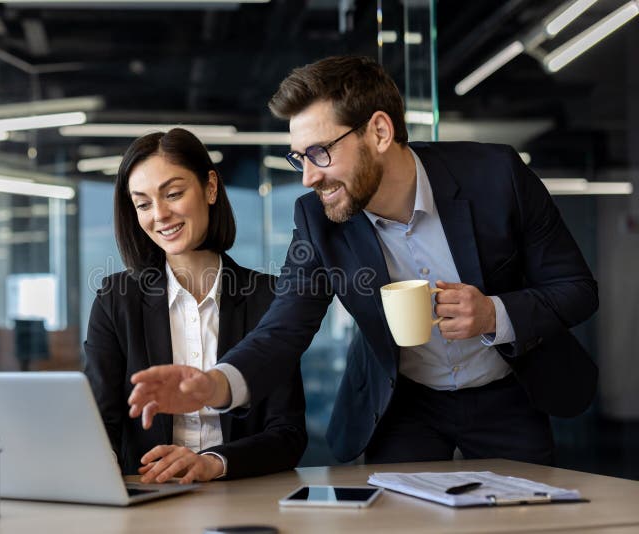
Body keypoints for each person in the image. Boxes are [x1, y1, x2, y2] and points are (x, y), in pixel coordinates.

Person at [127, 56, 599, 465]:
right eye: (299, 158)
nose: (309, 176)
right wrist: (215, 384)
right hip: (405, 404)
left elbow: (576, 288)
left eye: (320, 153)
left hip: (509, 391)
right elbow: (284, 327)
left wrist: (494, 313)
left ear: (378, 130)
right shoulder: (318, 218)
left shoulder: (496, 177)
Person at [83, 128, 307, 484]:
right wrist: (102, 470)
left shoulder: (268, 297)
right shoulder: (116, 301)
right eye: (143, 204)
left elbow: (287, 432)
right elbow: (100, 421)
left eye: (173, 194)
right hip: (149, 495)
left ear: (211, 187)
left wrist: (213, 462)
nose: (159, 214)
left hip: (241, 491)